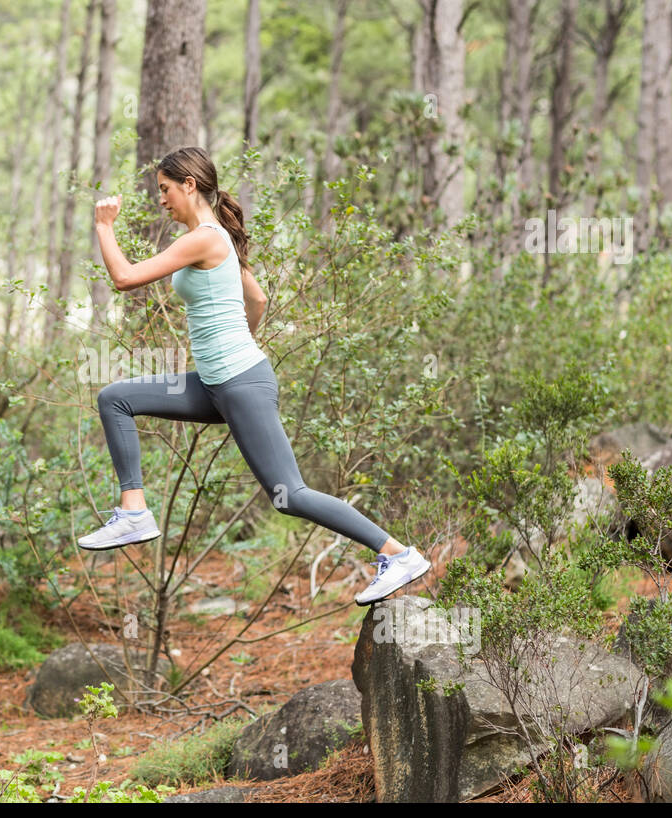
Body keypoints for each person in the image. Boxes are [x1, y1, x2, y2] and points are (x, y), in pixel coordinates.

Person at [79, 145, 431, 606]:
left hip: (239, 382)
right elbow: (258, 298)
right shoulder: (217, 236)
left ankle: (399, 554)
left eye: (165, 189)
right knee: (115, 398)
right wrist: (234, 349)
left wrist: (104, 226)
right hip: (215, 383)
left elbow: (124, 278)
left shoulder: (205, 236)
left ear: (189, 185)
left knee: (290, 494)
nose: (161, 199)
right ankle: (134, 511)